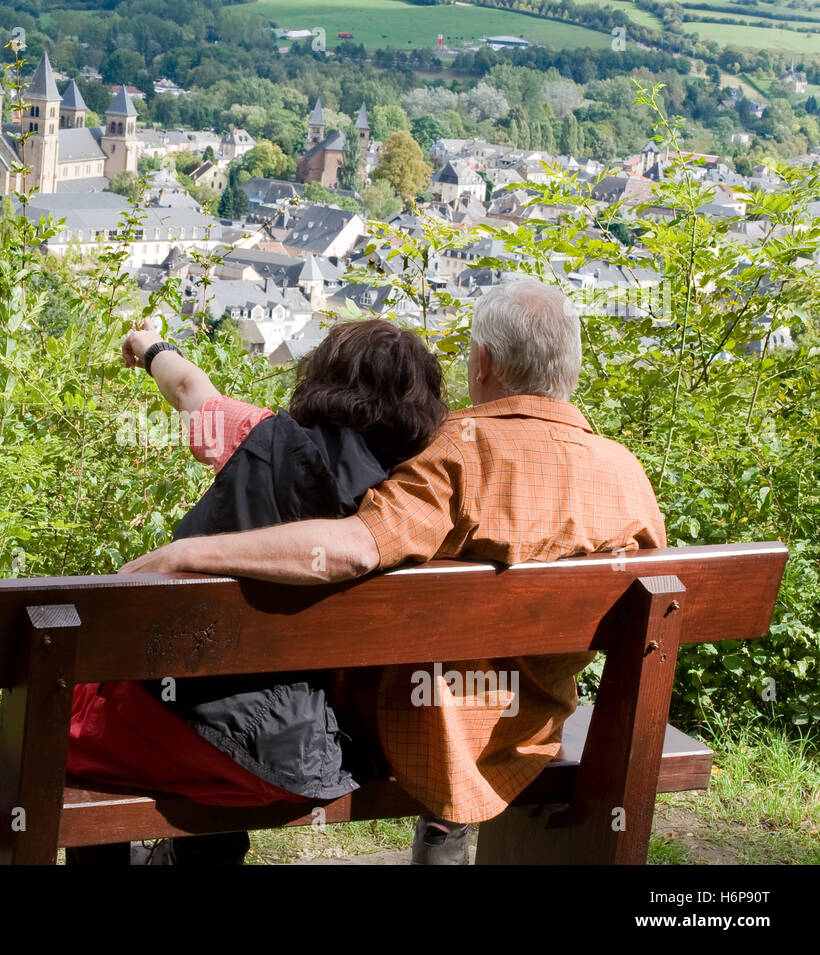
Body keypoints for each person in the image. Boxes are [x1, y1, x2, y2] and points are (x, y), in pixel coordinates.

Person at [118, 278, 668, 864]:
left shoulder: (455, 456)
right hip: (532, 723)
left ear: (482, 361)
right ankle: (446, 824)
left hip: (420, 728)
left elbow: (357, 547)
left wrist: (186, 554)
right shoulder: (626, 473)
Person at [64, 316, 448, 864]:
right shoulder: (406, 500)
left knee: (69, 727)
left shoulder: (257, 435)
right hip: (314, 748)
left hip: (196, 736)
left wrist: (150, 346)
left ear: (323, 379)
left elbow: (188, 390)